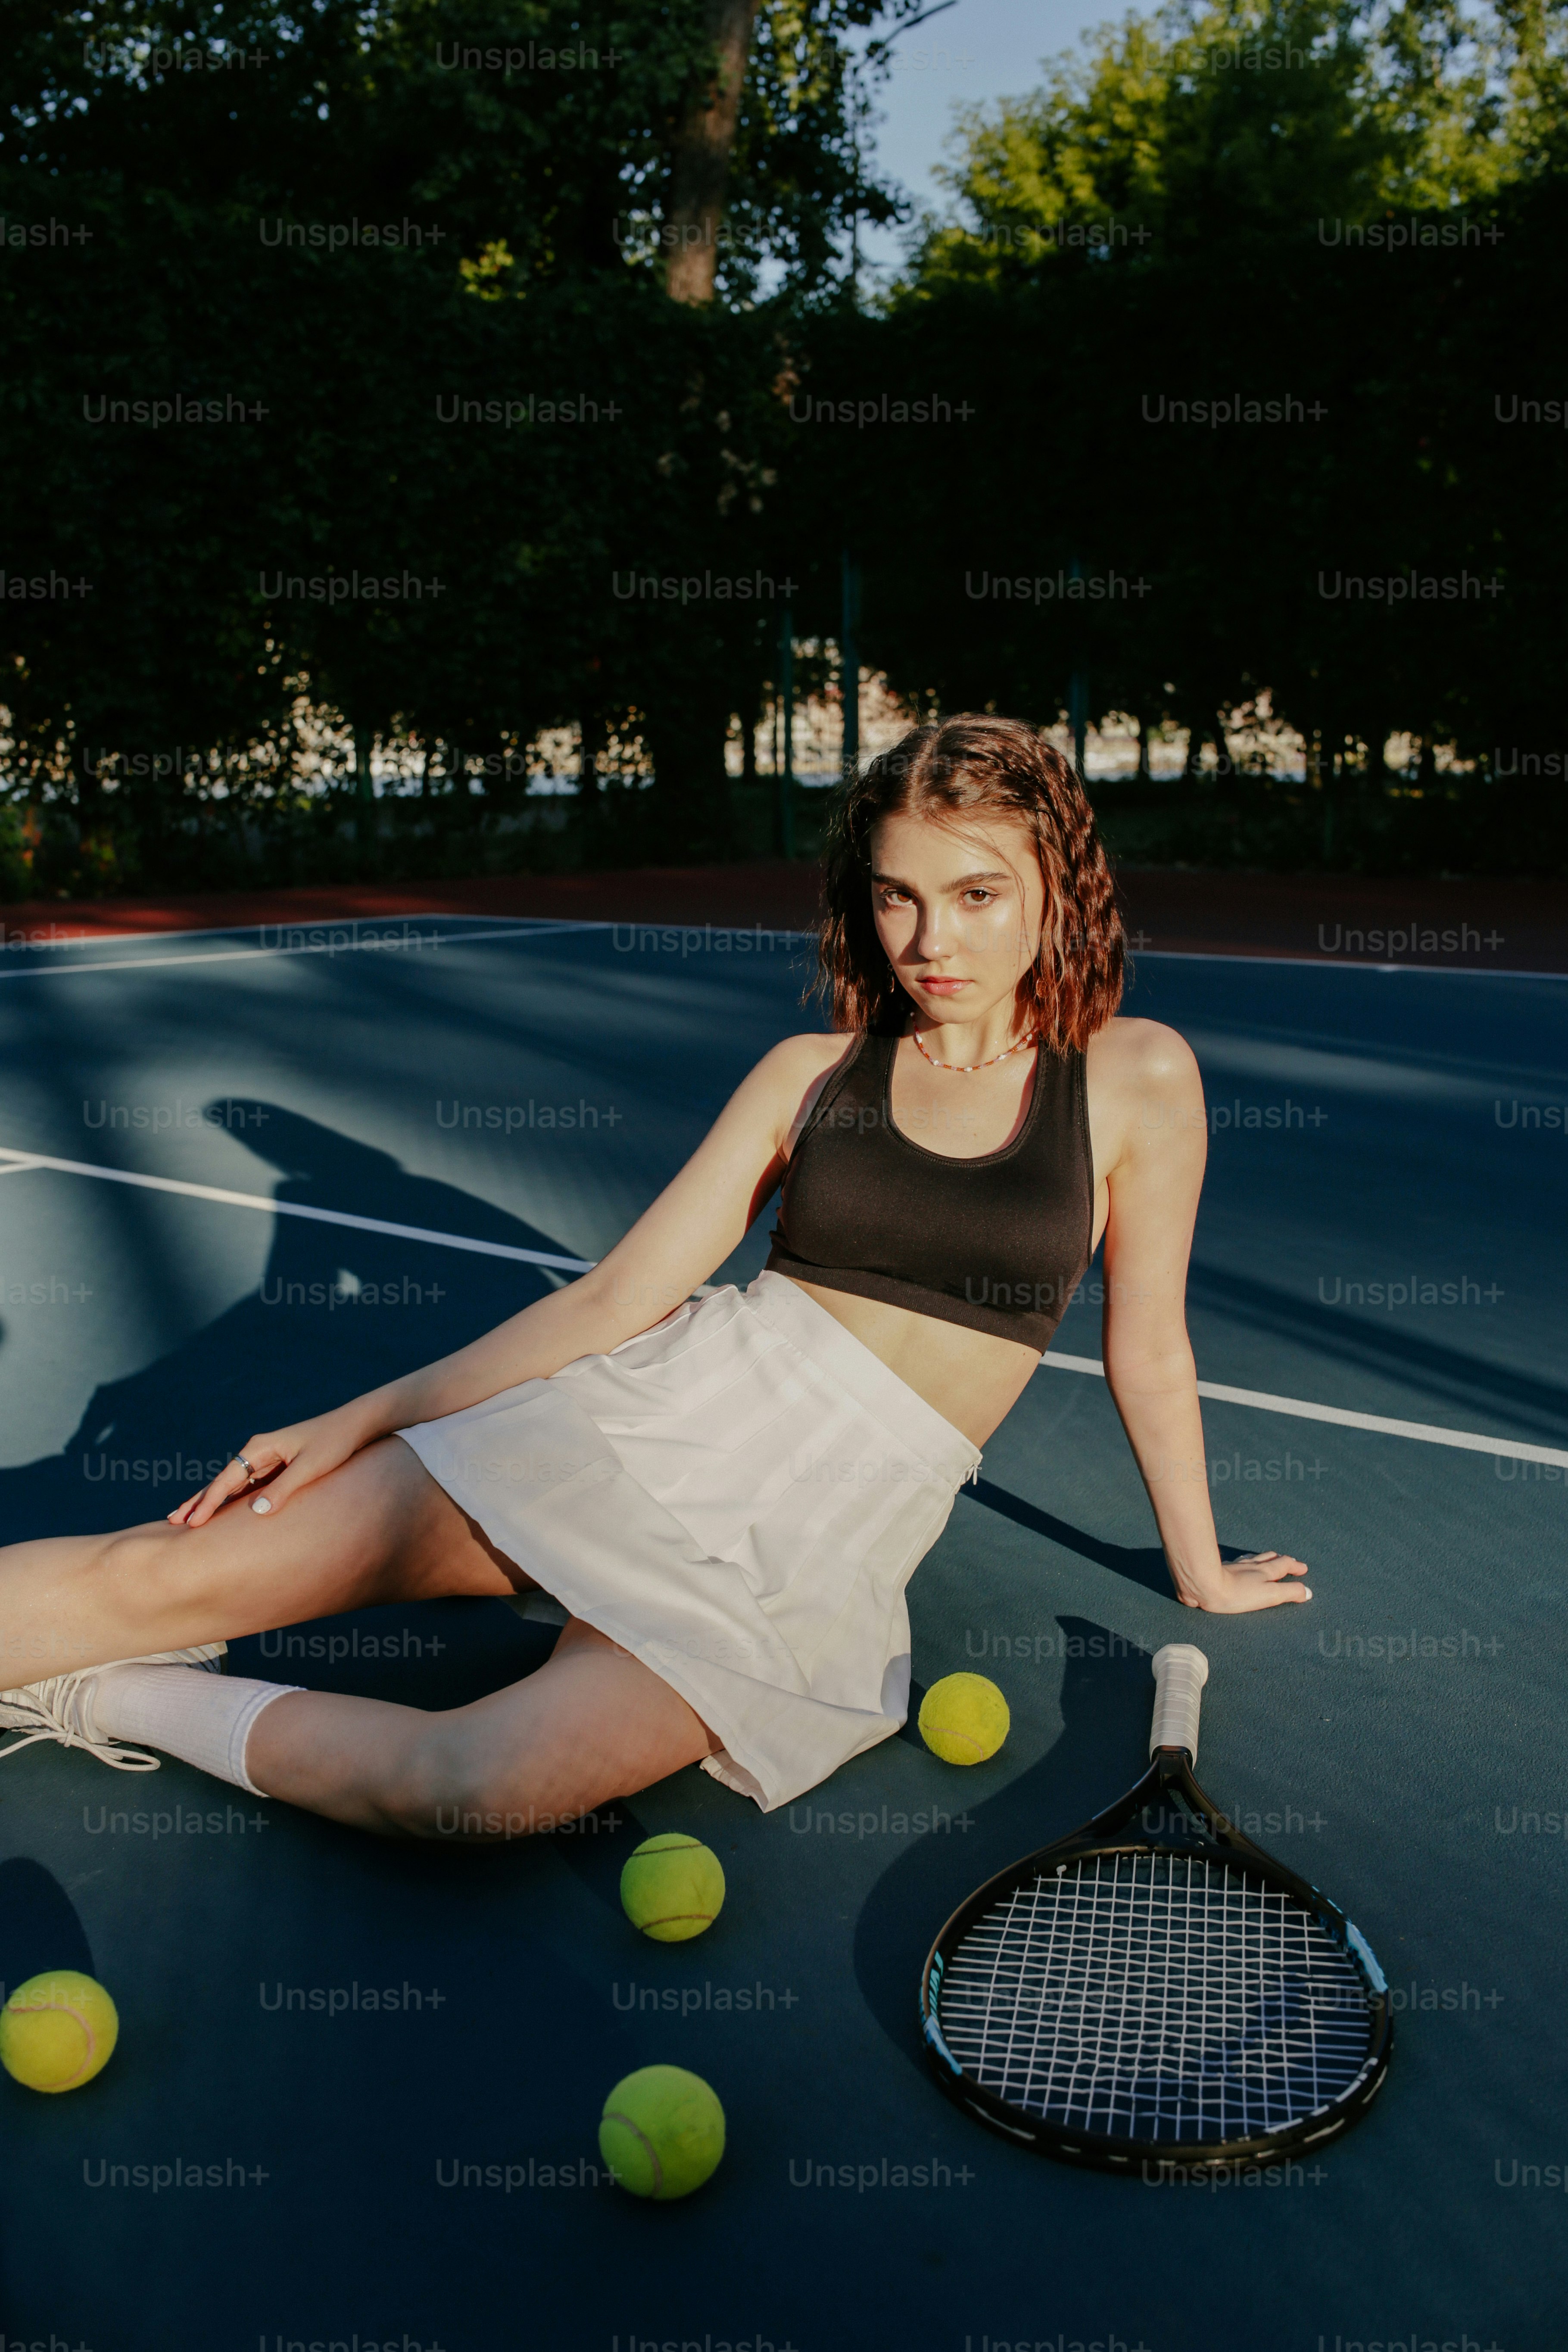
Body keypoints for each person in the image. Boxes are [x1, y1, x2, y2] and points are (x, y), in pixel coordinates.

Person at [0, 716, 1308, 1838]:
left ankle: (102, 1694)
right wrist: (356, 1415)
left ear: (1052, 885)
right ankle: (115, 1635)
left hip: (810, 1544)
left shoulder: (1138, 1075)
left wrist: (1197, 1565)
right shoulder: (810, 1076)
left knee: (473, 1786)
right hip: (647, 1419)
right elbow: (617, 1296)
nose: (928, 938)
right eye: (897, 894)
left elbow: (1151, 1343)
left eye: (975, 894)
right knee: (150, 1576)